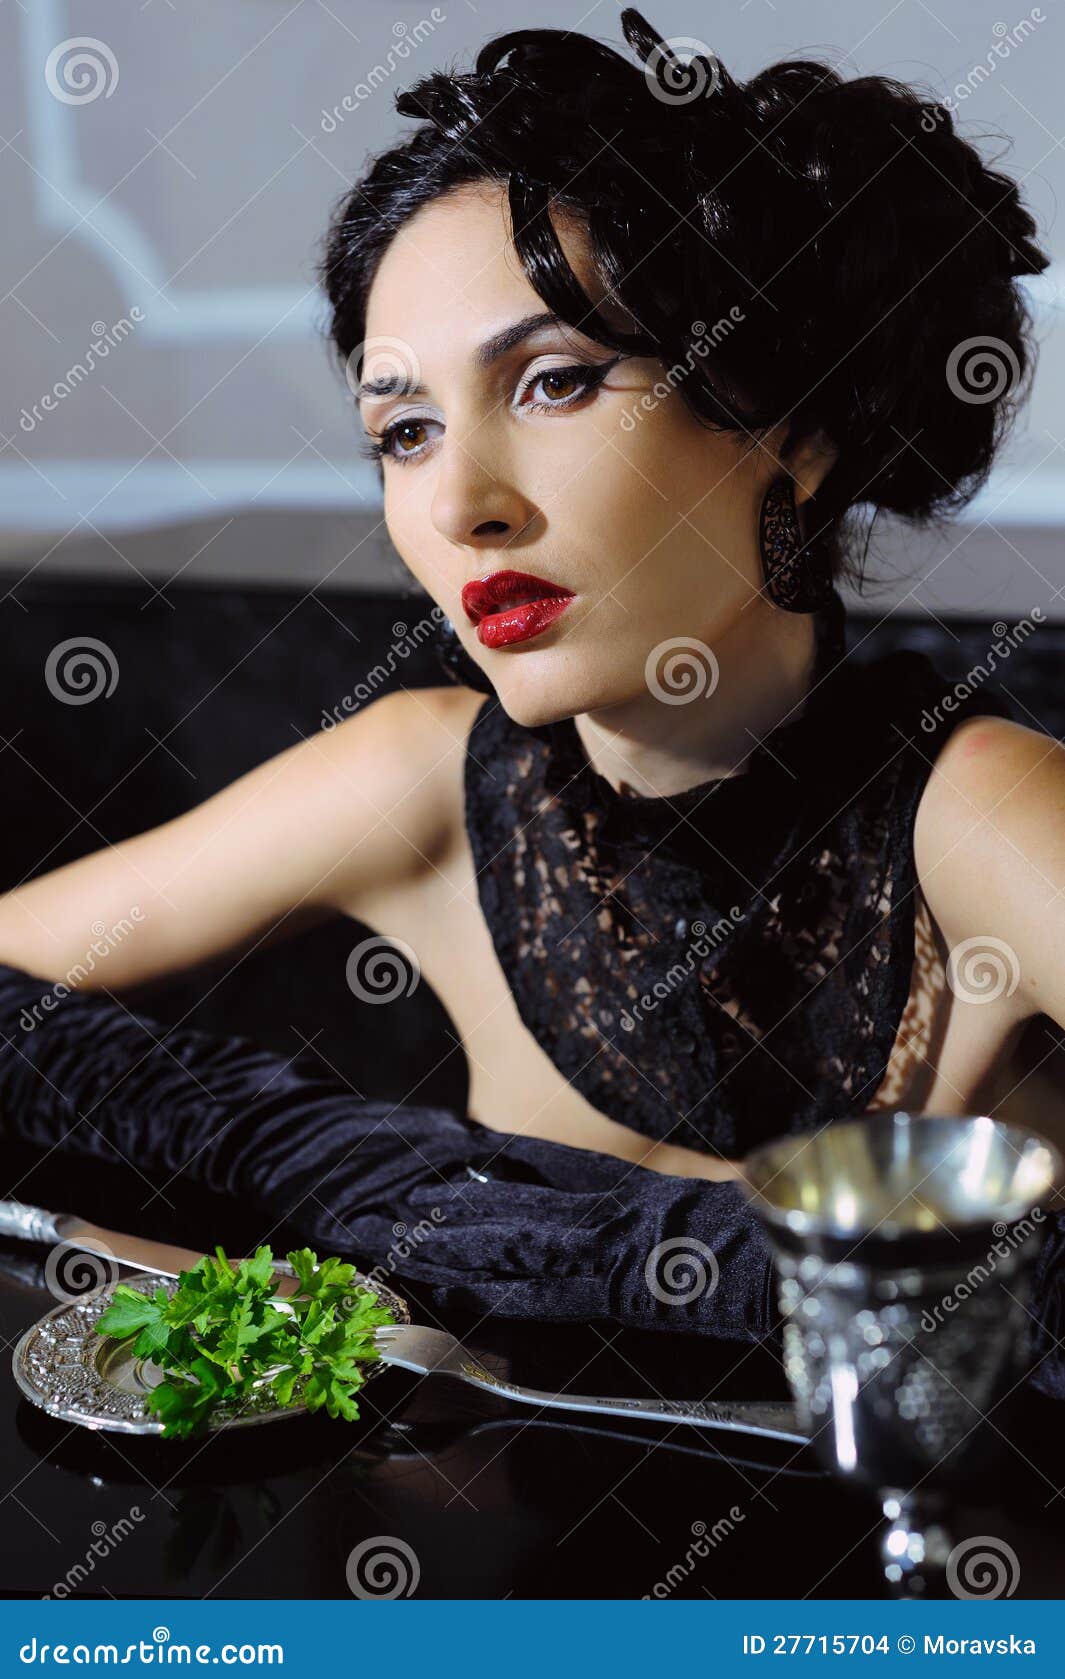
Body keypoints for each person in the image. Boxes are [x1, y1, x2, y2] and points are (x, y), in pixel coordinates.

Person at [1, 9, 1064, 1399]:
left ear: (793, 433)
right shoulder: (420, 780)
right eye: (404, 431)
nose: (460, 505)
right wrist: (314, 1155)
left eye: (556, 381)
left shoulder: (981, 812)